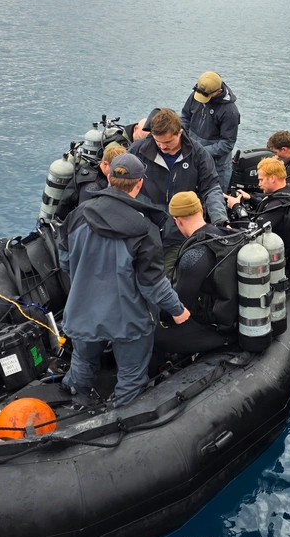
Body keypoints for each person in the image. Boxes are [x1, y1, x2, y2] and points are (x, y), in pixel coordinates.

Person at [57, 153, 190, 407]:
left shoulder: (76, 216)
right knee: (131, 376)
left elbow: (65, 262)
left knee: (82, 363)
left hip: (83, 309)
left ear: (109, 176)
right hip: (128, 318)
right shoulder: (145, 228)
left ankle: (72, 406)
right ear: (139, 183)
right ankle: (121, 418)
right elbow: (152, 284)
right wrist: (177, 310)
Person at [128, 107, 228, 274]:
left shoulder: (198, 154)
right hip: (144, 231)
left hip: (179, 234)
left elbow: (211, 188)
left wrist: (219, 219)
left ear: (179, 133)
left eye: (167, 142)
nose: (162, 146)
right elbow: (122, 184)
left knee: (168, 278)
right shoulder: (138, 151)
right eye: (157, 141)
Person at [153, 192, 239, 357]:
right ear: (201, 211)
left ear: (177, 220)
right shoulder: (227, 234)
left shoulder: (194, 254)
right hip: (236, 317)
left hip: (217, 329)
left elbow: (178, 307)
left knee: (152, 331)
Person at [224, 157, 290, 254]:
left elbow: (253, 231)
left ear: (272, 178)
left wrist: (236, 206)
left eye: (261, 180)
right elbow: (268, 203)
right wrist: (250, 198)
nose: (259, 184)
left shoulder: (279, 204)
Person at [181, 71, 241, 191]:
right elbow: (185, 118)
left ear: (218, 92)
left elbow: (227, 144)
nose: (201, 100)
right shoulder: (196, 95)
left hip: (216, 167)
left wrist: (198, 151)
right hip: (192, 160)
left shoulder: (230, 112)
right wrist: (183, 140)